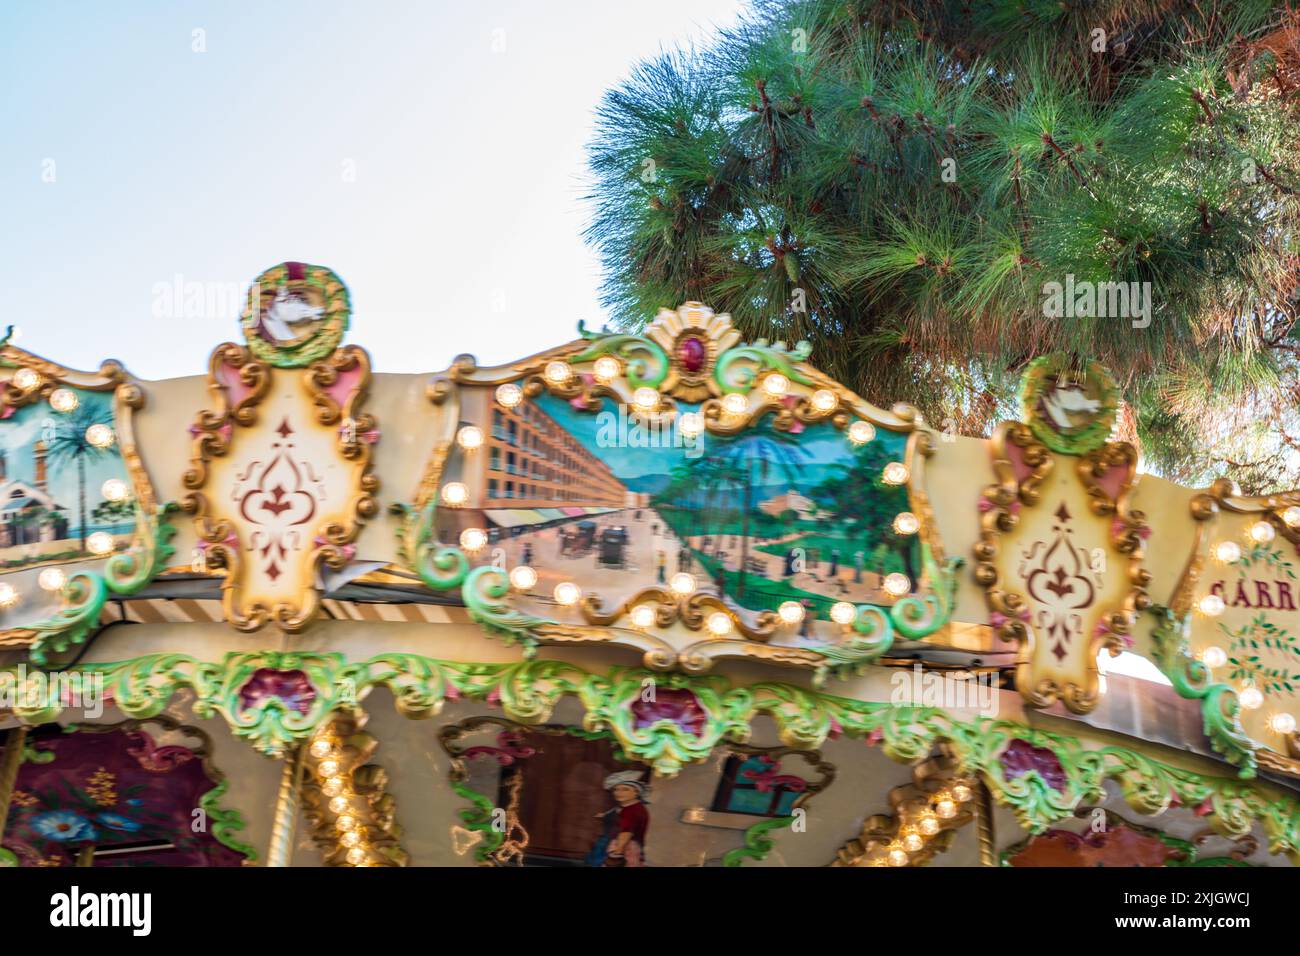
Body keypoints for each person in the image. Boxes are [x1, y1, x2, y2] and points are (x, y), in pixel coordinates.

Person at [586, 770, 650, 867]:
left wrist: (617, 853)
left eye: (625, 789)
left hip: (622, 846)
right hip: (616, 842)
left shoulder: (631, 811)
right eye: (616, 789)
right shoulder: (628, 806)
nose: (618, 793)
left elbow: (626, 832)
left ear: (636, 792)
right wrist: (604, 816)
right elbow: (617, 815)